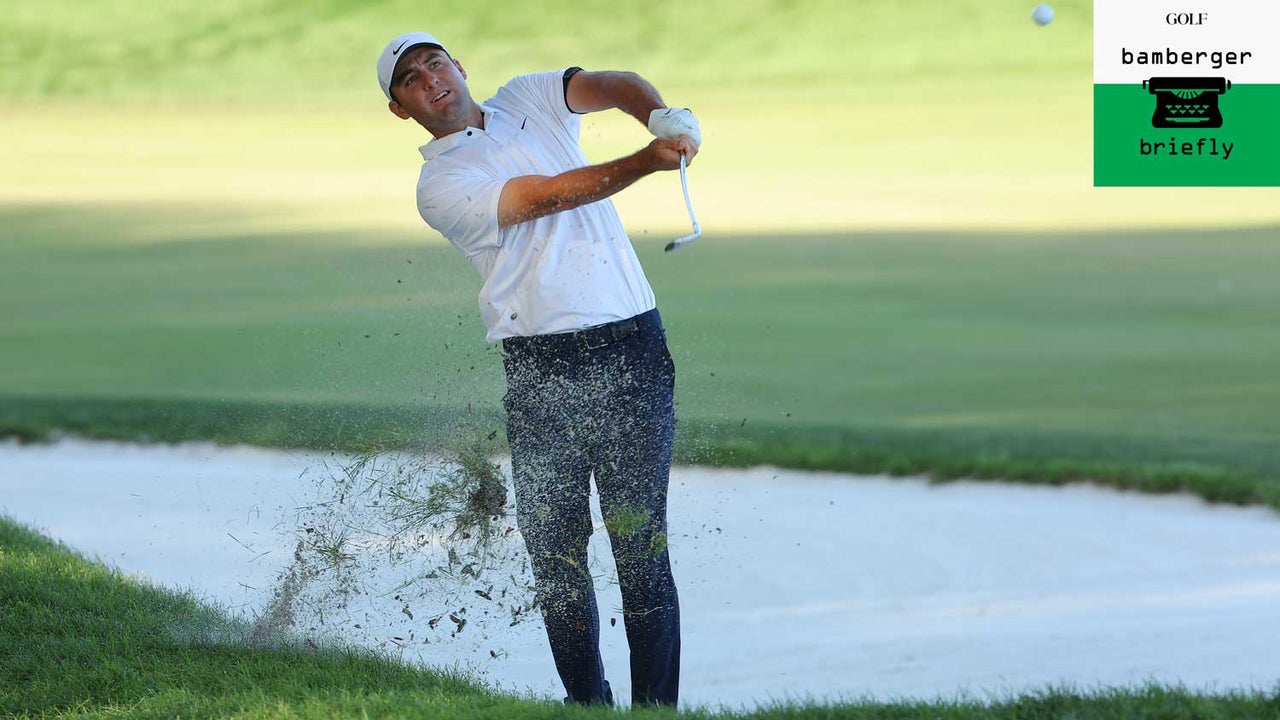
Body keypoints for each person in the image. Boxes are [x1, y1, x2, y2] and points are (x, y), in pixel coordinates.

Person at [375, 31, 700, 707]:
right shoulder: (440, 183)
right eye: (409, 78)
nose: (428, 77)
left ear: (459, 65)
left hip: (631, 348)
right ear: (401, 109)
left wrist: (658, 116)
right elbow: (542, 197)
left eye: (434, 61)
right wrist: (645, 160)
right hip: (542, 370)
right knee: (557, 562)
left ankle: (656, 712)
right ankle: (588, 706)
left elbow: (611, 83)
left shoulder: (527, 97)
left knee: (640, 549)